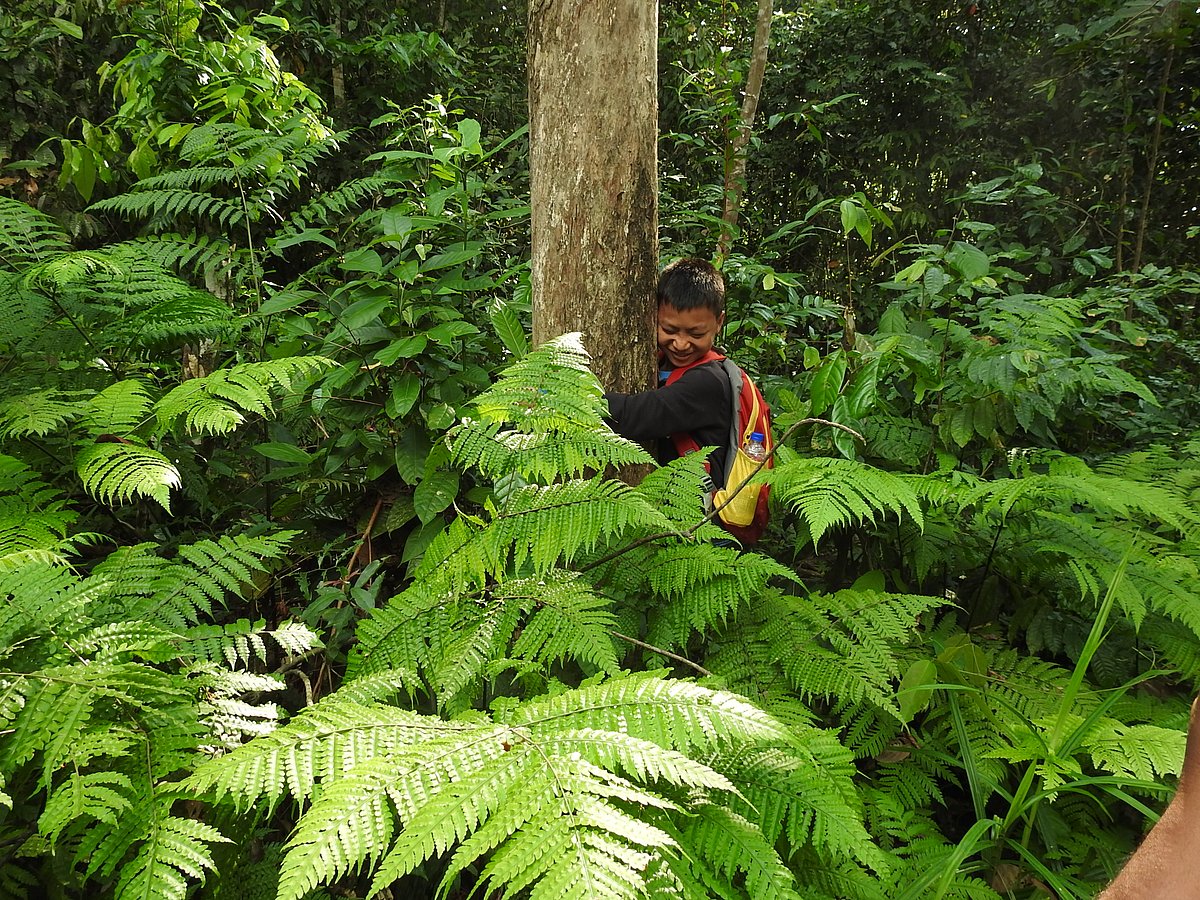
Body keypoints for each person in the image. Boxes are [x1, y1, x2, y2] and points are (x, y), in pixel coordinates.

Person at [604, 258, 733, 478]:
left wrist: (567, 400)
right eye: (669, 329)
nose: (681, 344)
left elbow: (634, 415)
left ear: (719, 322)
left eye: (696, 334)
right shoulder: (658, 360)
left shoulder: (710, 382)